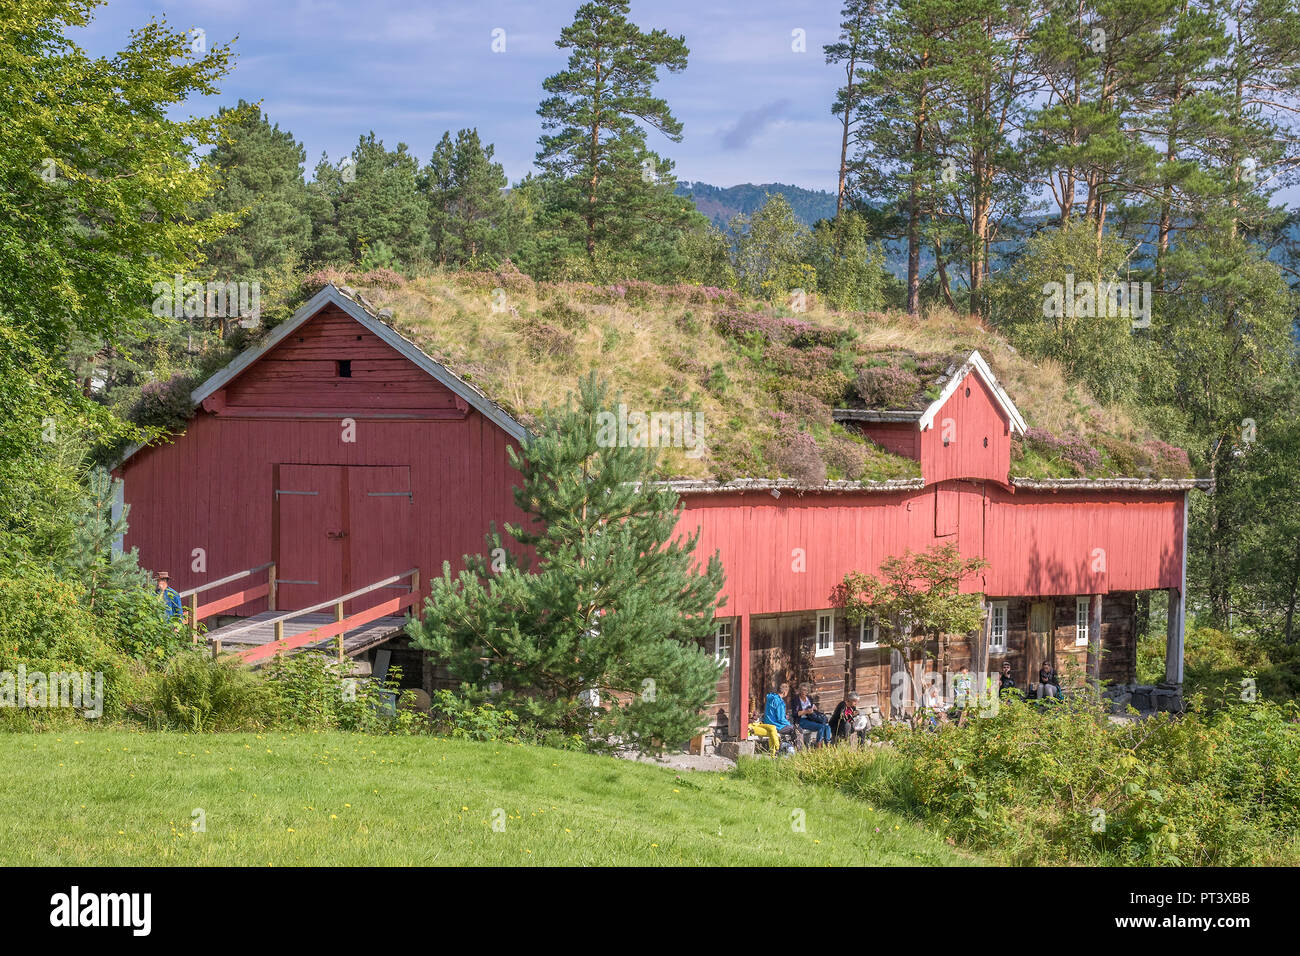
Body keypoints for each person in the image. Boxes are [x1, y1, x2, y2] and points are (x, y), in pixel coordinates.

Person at [763, 682, 803, 753]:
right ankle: (799, 751)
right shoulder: (780, 702)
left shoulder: (770, 698)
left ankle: (789, 748)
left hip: (768, 724)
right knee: (797, 730)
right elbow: (780, 718)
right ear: (785, 692)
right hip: (776, 726)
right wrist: (788, 724)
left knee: (793, 729)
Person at [791, 682, 832, 747]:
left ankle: (828, 744)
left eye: (806, 690)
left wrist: (815, 709)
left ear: (808, 691)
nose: (804, 692)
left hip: (811, 718)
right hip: (801, 720)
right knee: (821, 727)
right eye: (802, 690)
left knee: (827, 726)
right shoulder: (796, 699)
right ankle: (818, 745)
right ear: (799, 690)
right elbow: (795, 714)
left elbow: (814, 709)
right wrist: (806, 711)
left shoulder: (809, 698)